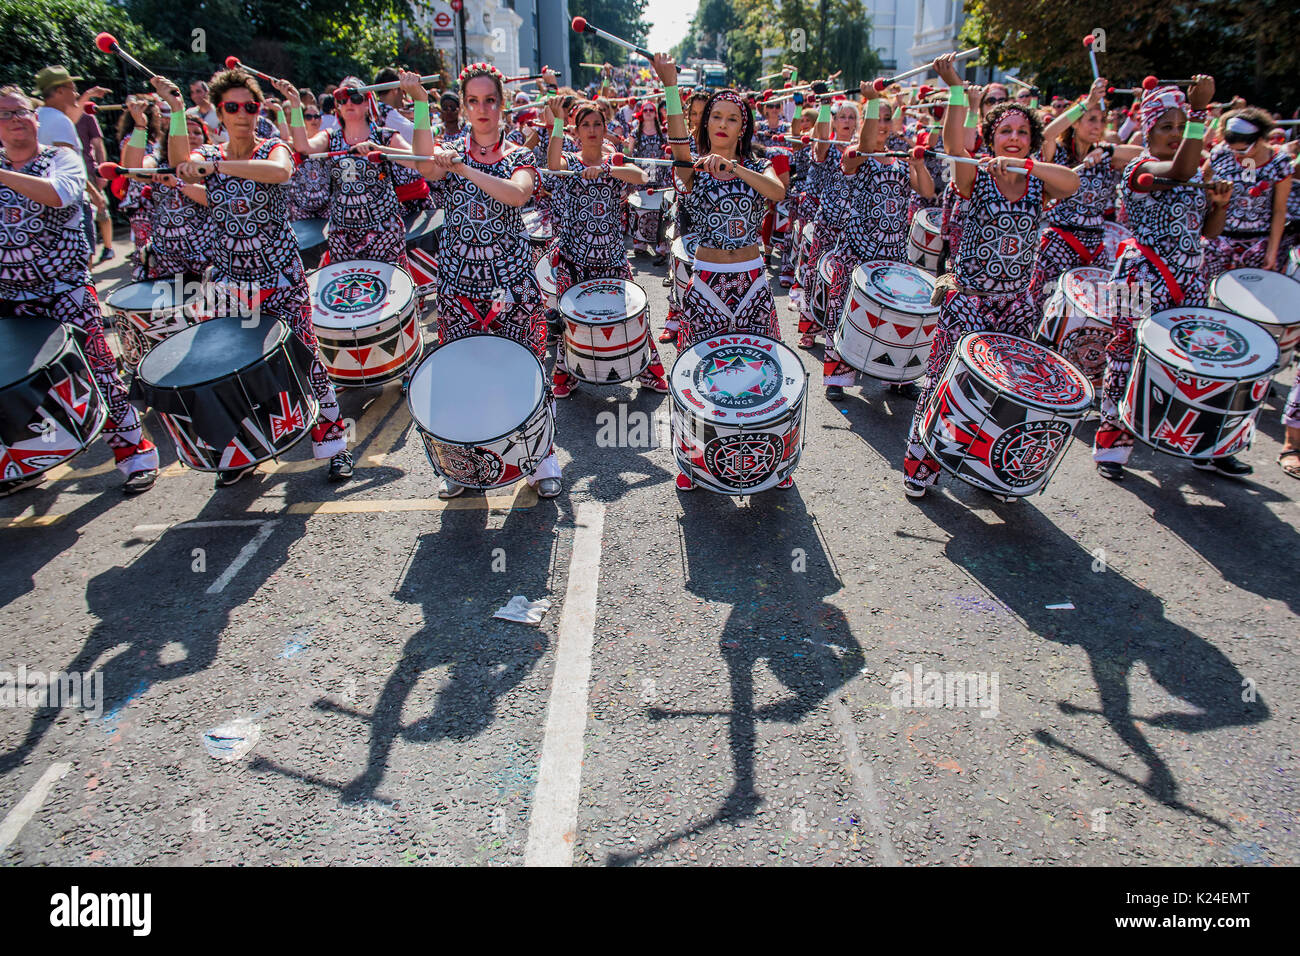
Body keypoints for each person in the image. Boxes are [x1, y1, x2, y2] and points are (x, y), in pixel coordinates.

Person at [153, 69, 352, 485]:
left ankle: (334, 446)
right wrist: (174, 111)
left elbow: (280, 172)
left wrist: (219, 165)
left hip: (281, 278)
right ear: (220, 112)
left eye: (251, 106)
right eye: (232, 107)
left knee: (308, 361)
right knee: (230, 370)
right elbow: (181, 165)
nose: (243, 114)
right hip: (230, 284)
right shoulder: (206, 155)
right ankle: (242, 453)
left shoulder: (270, 147)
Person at [901, 53, 1080, 499]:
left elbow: (1072, 184)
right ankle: (922, 462)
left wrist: (1030, 167)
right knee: (947, 379)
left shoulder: (1040, 179)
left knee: (1008, 391)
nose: (1014, 138)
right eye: (1005, 131)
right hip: (970, 300)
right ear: (991, 137)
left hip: (1017, 305)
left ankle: (990, 468)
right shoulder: (975, 176)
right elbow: (954, 145)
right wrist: (958, 88)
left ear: (1032, 140)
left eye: (1022, 132)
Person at [410, 62, 562, 500]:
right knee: (461, 378)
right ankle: (462, 466)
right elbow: (424, 166)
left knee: (526, 372)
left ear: (502, 104)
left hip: (512, 288)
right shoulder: (449, 153)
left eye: (489, 100)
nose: (482, 109)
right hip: (459, 289)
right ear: (465, 105)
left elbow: (517, 194)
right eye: (473, 101)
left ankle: (540, 458)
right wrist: (421, 105)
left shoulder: (518, 154)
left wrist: (463, 170)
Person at [0, 86, 159, 496]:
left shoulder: (60, 158)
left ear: (36, 119)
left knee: (100, 372)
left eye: (21, 111)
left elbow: (58, 194)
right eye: (5, 114)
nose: (15, 119)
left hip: (65, 290)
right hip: (11, 299)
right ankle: (26, 464)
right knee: (21, 387)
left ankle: (134, 454)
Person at [1092, 79, 1246, 480]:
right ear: (1147, 131)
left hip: (1190, 279)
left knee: (1198, 361)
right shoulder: (1140, 169)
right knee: (1126, 353)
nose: (1177, 134)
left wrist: (1220, 204)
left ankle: (1205, 444)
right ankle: (1113, 443)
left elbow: (1210, 231)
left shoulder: (1196, 170)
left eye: (1182, 126)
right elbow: (1180, 169)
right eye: (1167, 127)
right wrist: (1198, 114)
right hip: (1138, 277)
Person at [652, 54, 787, 491]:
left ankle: (773, 459)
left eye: (733, 118)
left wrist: (736, 168)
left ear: (743, 127)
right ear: (706, 124)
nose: (724, 124)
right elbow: (675, 138)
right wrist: (670, 84)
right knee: (699, 371)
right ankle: (696, 460)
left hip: (752, 281)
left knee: (763, 371)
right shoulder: (692, 169)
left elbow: (777, 191)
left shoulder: (758, 165)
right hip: (707, 280)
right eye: (716, 117)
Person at [543, 98, 670, 399]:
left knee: (632, 316)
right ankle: (566, 374)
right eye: (585, 125)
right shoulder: (570, 162)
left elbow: (641, 177)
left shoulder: (615, 160)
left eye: (597, 124)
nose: (591, 130)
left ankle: (649, 371)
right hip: (575, 258)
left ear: (604, 128)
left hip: (612, 256)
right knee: (570, 320)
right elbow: (551, 165)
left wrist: (606, 170)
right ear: (576, 130)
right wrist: (558, 121)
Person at [821, 82, 934, 401]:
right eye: (877, 117)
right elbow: (866, 146)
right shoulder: (857, 154)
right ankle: (837, 377)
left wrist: (919, 164)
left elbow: (926, 192)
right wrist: (871, 101)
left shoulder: (901, 155)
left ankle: (897, 378)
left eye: (888, 118)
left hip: (892, 252)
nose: (883, 124)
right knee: (844, 309)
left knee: (895, 315)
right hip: (855, 248)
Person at [276, 75, 415, 271]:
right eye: (343, 99)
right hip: (342, 233)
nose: (349, 103)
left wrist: (379, 149)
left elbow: (415, 159)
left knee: (386, 293)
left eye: (356, 98)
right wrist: (296, 104)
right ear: (338, 106)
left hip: (383, 230)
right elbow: (303, 147)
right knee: (347, 295)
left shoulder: (384, 135)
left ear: (367, 104)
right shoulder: (330, 137)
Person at [1030, 77, 1143, 310]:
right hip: (1058, 244)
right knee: (1044, 307)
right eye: (1091, 119)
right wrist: (1088, 101)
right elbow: (1047, 134)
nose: (1097, 126)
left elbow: (1143, 155)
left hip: (1095, 246)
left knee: (1093, 311)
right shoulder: (1059, 154)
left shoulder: (1106, 156)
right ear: (1075, 122)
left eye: (1102, 120)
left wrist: (1107, 149)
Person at [1202, 108, 1293, 276]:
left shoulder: (1280, 163)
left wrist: (1272, 252)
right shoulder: (1221, 154)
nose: (1237, 154)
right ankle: (1137, 300)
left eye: (1242, 150)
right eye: (1232, 149)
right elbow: (1202, 182)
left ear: (1259, 140)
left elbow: (1280, 210)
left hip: (1259, 245)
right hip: (1219, 243)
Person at [116, 98, 162, 279]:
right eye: (157, 113)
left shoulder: (154, 140)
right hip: (140, 199)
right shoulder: (132, 137)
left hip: (154, 196)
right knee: (145, 245)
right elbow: (129, 167)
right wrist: (140, 125)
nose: (160, 116)